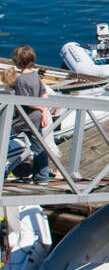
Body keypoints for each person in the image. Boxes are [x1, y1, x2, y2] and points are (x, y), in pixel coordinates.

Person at [11, 45, 55, 183]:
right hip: (37, 116)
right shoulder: (36, 76)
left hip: (25, 118)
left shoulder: (20, 80)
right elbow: (43, 94)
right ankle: (42, 177)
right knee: (38, 146)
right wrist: (43, 109)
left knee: (4, 135)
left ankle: (3, 172)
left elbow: (25, 101)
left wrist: (40, 108)